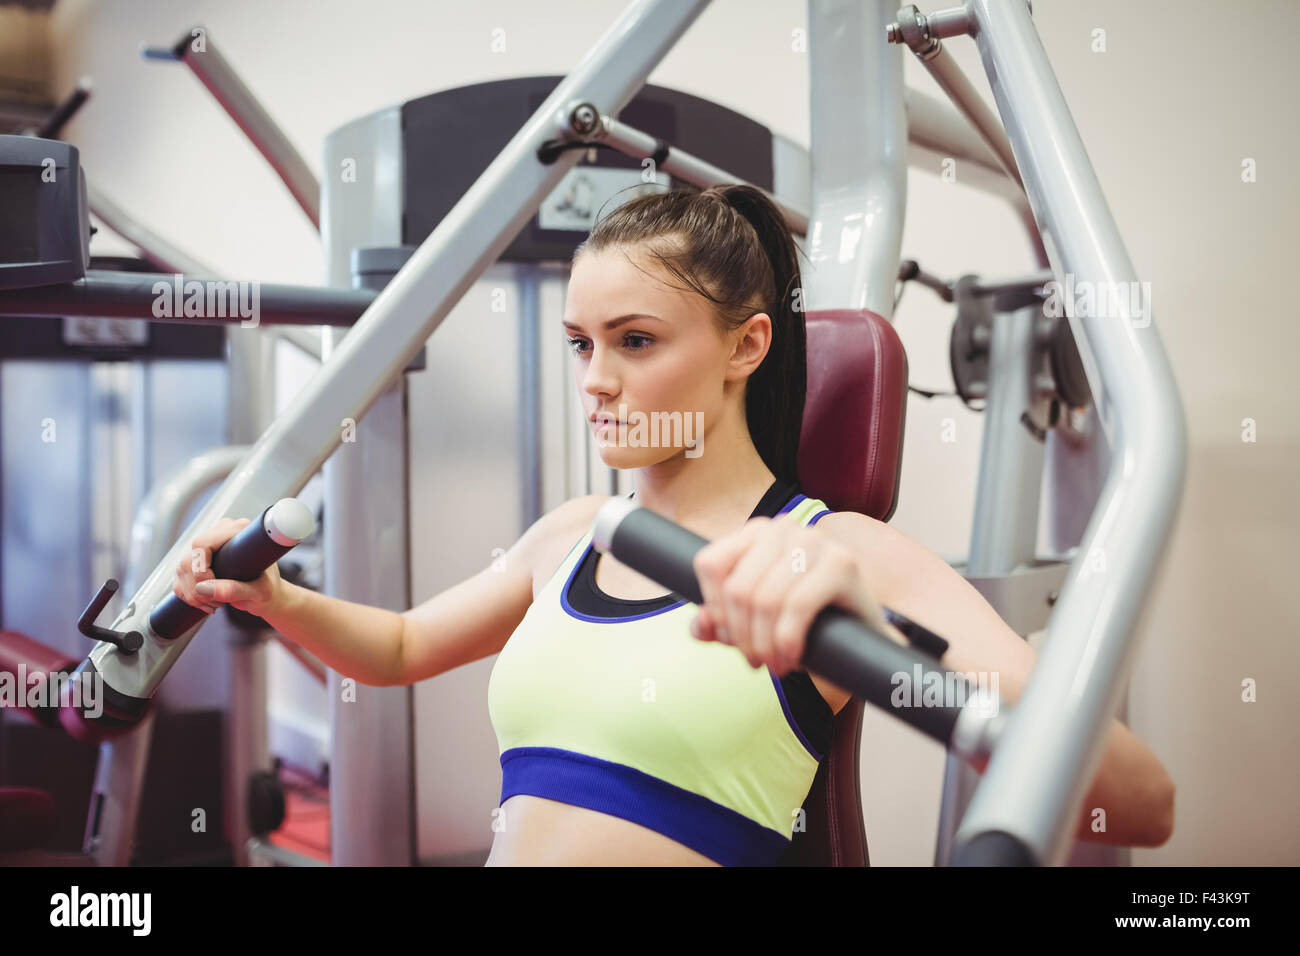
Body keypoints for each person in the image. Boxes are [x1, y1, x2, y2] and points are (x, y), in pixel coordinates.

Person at [174, 183, 1175, 866]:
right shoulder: (577, 530)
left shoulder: (841, 555)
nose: (595, 380)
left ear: (746, 344)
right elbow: (396, 647)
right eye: (580, 344)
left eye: (635, 341)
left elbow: (1139, 799)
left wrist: (880, 640)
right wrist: (272, 595)